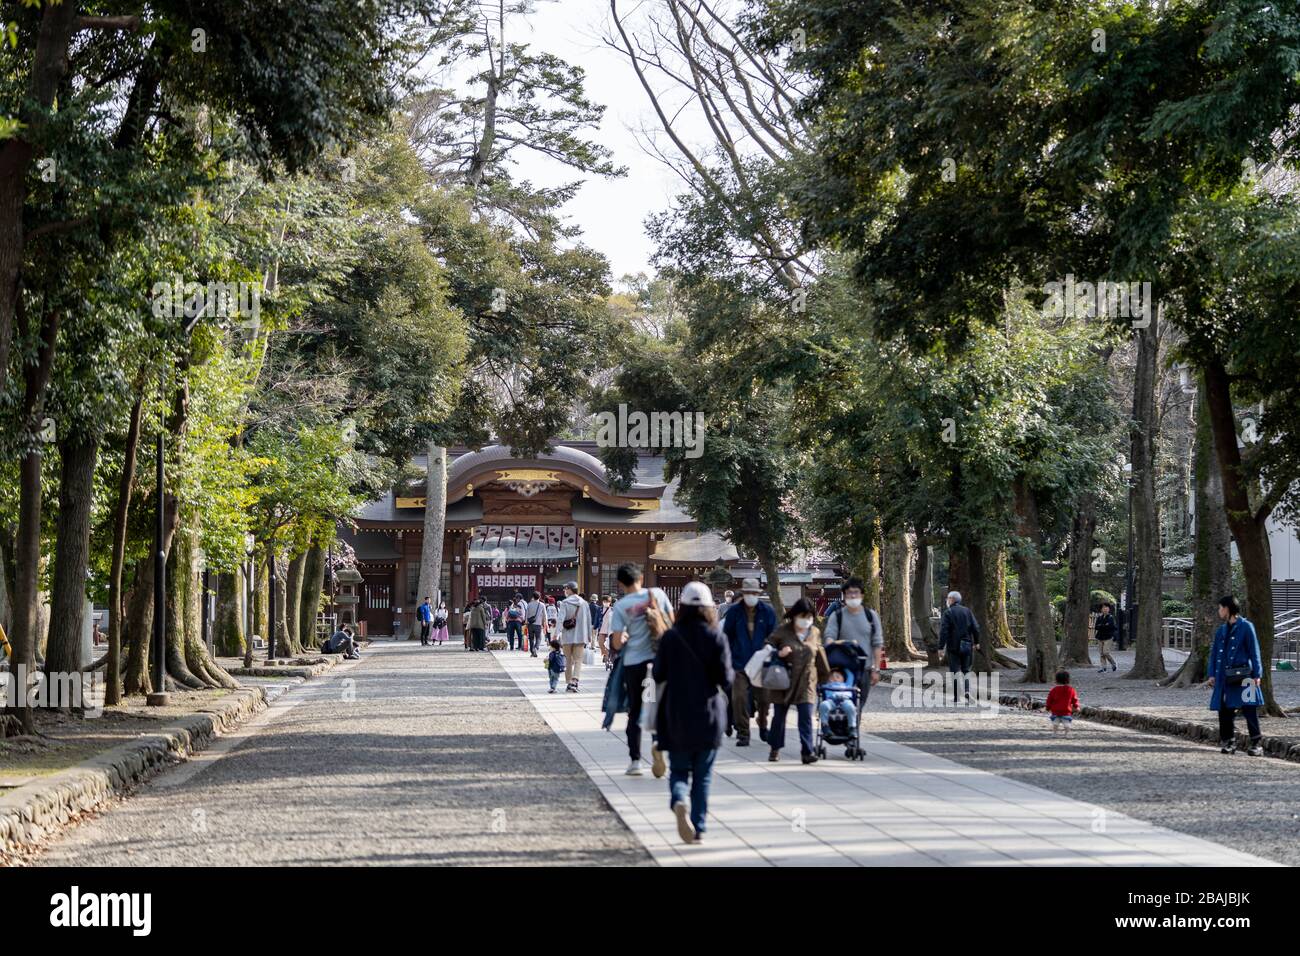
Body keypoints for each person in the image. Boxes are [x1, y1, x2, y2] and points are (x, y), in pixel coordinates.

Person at [653, 581, 733, 845]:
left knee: (678, 771)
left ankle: (678, 800)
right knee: (703, 775)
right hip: (708, 713)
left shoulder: (671, 637)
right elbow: (726, 679)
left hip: (676, 712)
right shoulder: (716, 637)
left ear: (683, 607)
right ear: (710, 608)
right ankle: (698, 826)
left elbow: (658, 673)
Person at [608, 562, 675, 776]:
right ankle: (657, 742)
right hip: (659, 661)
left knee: (635, 710)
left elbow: (617, 643)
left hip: (634, 663)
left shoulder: (620, 606)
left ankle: (635, 761)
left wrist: (627, 637)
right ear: (641, 579)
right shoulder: (657, 595)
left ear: (620, 583)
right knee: (657, 705)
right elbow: (671, 623)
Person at [765, 598, 829, 764]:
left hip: (807, 679)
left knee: (806, 717)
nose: (806, 620)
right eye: (802, 616)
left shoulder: (814, 632)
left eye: (809, 617)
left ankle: (807, 751)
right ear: (794, 616)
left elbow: (820, 654)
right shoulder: (782, 631)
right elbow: (767, 646)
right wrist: (778, 653)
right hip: (784, 678)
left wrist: (825, 679)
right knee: (779, 716)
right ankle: (775, 748)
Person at [1207, 594, 1265, 756]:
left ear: (1226, 608)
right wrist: (1211, 674)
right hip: (1225, 677)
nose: (1219, 611)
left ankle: (1256, 743)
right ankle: (1229, 741)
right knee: (1224, 709)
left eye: (1220, 608)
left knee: (1250, 709)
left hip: (1247, 675)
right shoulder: (1221, 630)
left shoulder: (1247, 627)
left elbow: (1255, 651)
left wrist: (1257, 674)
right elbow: (1214, 654)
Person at [721, 577, 777, 746]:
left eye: (754, 593)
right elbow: (726, 635)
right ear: (743, 594)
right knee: (739, 698)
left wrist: (769, 646)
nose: (751, 596)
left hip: (762, 662)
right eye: (748, 593)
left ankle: (763, 724)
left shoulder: (767, 611)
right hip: (740, 663)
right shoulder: (734, 612)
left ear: (758, 594)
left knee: (764, 699)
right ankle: (743, 732)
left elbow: (774, 634)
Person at [822, 577, 883, 698]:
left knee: (859, 705)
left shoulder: (871, 616)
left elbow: (877, 643)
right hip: (842, 668)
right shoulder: (837, 616)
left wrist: (876, 669)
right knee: (839, 703)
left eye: (856, 592)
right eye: (849, 593)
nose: (853, 596)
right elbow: (829, 637)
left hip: (864, 668)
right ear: (844, 595)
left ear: (862, 595)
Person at [938, 590, 981, 703]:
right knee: (966, 670)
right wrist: (976, 642)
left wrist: (940, 647)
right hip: (967, 645)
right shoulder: (967, 611)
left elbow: (944, 631)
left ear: (952, 599)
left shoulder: (948, 613)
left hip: (953, 646)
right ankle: (967, 691)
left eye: (948, 598)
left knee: (955, 671)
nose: (947, 600)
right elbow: (975, 627)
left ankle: (957, 697)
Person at [559, 582, 593, 692]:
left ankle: (569, 682)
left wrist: (555, 634)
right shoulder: (584, 603)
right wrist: (589, 635)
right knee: (578, 660)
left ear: (569, 590)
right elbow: (588, 621)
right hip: (581, 635)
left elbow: (560, 619)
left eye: (565, 589)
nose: (564, 591)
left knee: (568, 660)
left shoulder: (564, 603)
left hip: (567, 636)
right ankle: (575, 680)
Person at [817, 667, 857, 733]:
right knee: (823, 705)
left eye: (837, 677)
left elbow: (850, 675)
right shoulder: (828, 685)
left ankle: (852, 726)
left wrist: (843, 667)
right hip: (831, 701)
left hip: (845, 700)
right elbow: (821, 682)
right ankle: (825, 725)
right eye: (832, 677)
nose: (834, 678)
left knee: (851, 708)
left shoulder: (847, 684)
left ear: (843, 678)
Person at [1094, 602, 1118, 672]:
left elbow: (1110, 626)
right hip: (1100, 637)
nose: (1105, 609)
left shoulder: (1111, 618)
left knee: (1106, 652)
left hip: (1108, 637)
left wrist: (1101, 626)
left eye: (1106, 607)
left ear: (1109, 609)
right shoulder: (1099, 618)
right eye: (1103, 607)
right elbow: (1096, 627)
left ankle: (1113, 663)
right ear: (1101, 609)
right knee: (1101, 653)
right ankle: (1103, 667)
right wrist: (1103, 625)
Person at [526, 590, 546, 657]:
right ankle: (535, 648)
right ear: (539, 597)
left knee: (531, 638)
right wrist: (545, 623)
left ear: (533, 597)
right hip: (538, 624)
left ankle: (532, 651)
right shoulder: (542, 605)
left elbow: (526, 614)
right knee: (538, 638)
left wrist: (526, 622)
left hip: (530, 624)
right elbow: (545, 615)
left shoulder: (529, 604)